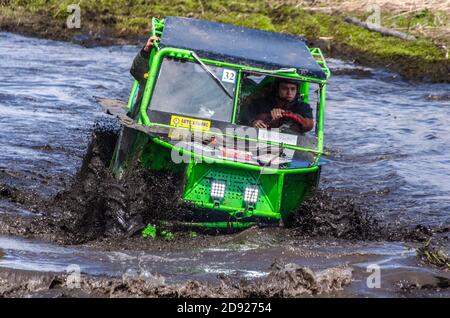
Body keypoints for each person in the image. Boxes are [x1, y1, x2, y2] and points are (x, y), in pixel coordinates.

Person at [246, 79, 314, 134]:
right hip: (261, 139)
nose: (289, 93)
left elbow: (309, 125)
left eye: (293, 89)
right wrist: (254, 122)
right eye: (284, 88)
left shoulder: (303, 107)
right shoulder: (259, 103)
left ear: (297, 91)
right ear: (277, 89)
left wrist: (287, 114)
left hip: (291, 143)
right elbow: (245, 120)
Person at [128, 35, 160, 118]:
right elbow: (135, 70)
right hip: (141, 121)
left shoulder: (191, 83)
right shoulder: (152, 76)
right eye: (169, 60)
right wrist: (146, 50)